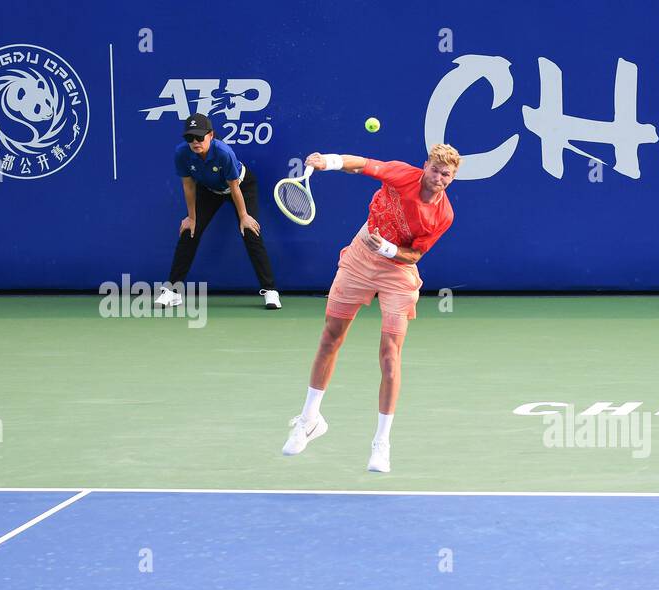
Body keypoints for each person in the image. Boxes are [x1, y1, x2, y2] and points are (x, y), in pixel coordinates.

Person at [280, 144, 458, 473]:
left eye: (445, 173)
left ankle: (381, 443)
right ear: (425, 166)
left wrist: (390, 249)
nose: (437, 177)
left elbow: (415, 256)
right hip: (361, 255)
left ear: (452, 178)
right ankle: (309, 419)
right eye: (434, 169)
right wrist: (328, 162)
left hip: (397, 271)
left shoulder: (443, 215)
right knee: (331, 336)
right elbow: (361, 165)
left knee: (390, 353)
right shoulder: (403, 174)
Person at [155, 113, 281, 310]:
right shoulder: (182, 154)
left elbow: (234, 186)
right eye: (190, 138)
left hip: (241, 186)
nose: (195, 142)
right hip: (210, 190)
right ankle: (173, 291)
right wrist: (191, 217)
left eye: (199, 137)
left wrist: (243, 216)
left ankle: (270, 290)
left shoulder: (224, 152)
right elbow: (188, 186)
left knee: (250, 231)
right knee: (190, 232)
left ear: (211, 135)